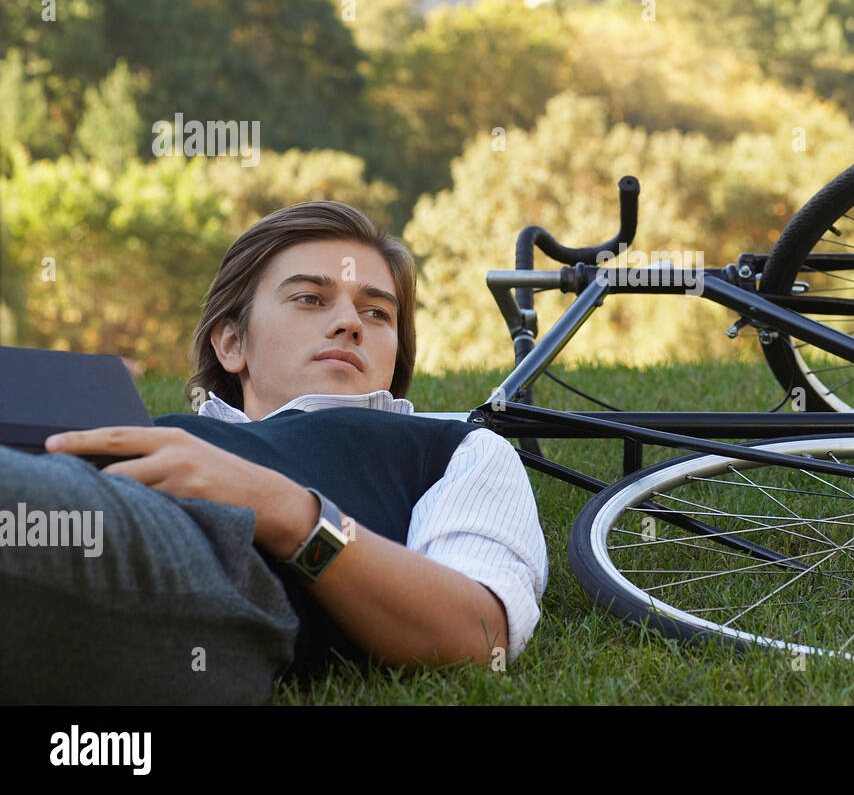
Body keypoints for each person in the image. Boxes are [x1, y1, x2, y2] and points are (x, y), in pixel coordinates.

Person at [0, 201, 547, 703]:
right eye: (310, 298)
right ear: (232, 342)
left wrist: (288, 511)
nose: (351, 322)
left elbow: (478, 635)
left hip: (210, 567)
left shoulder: (455, 450)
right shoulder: (169, 429)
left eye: (378, 313)